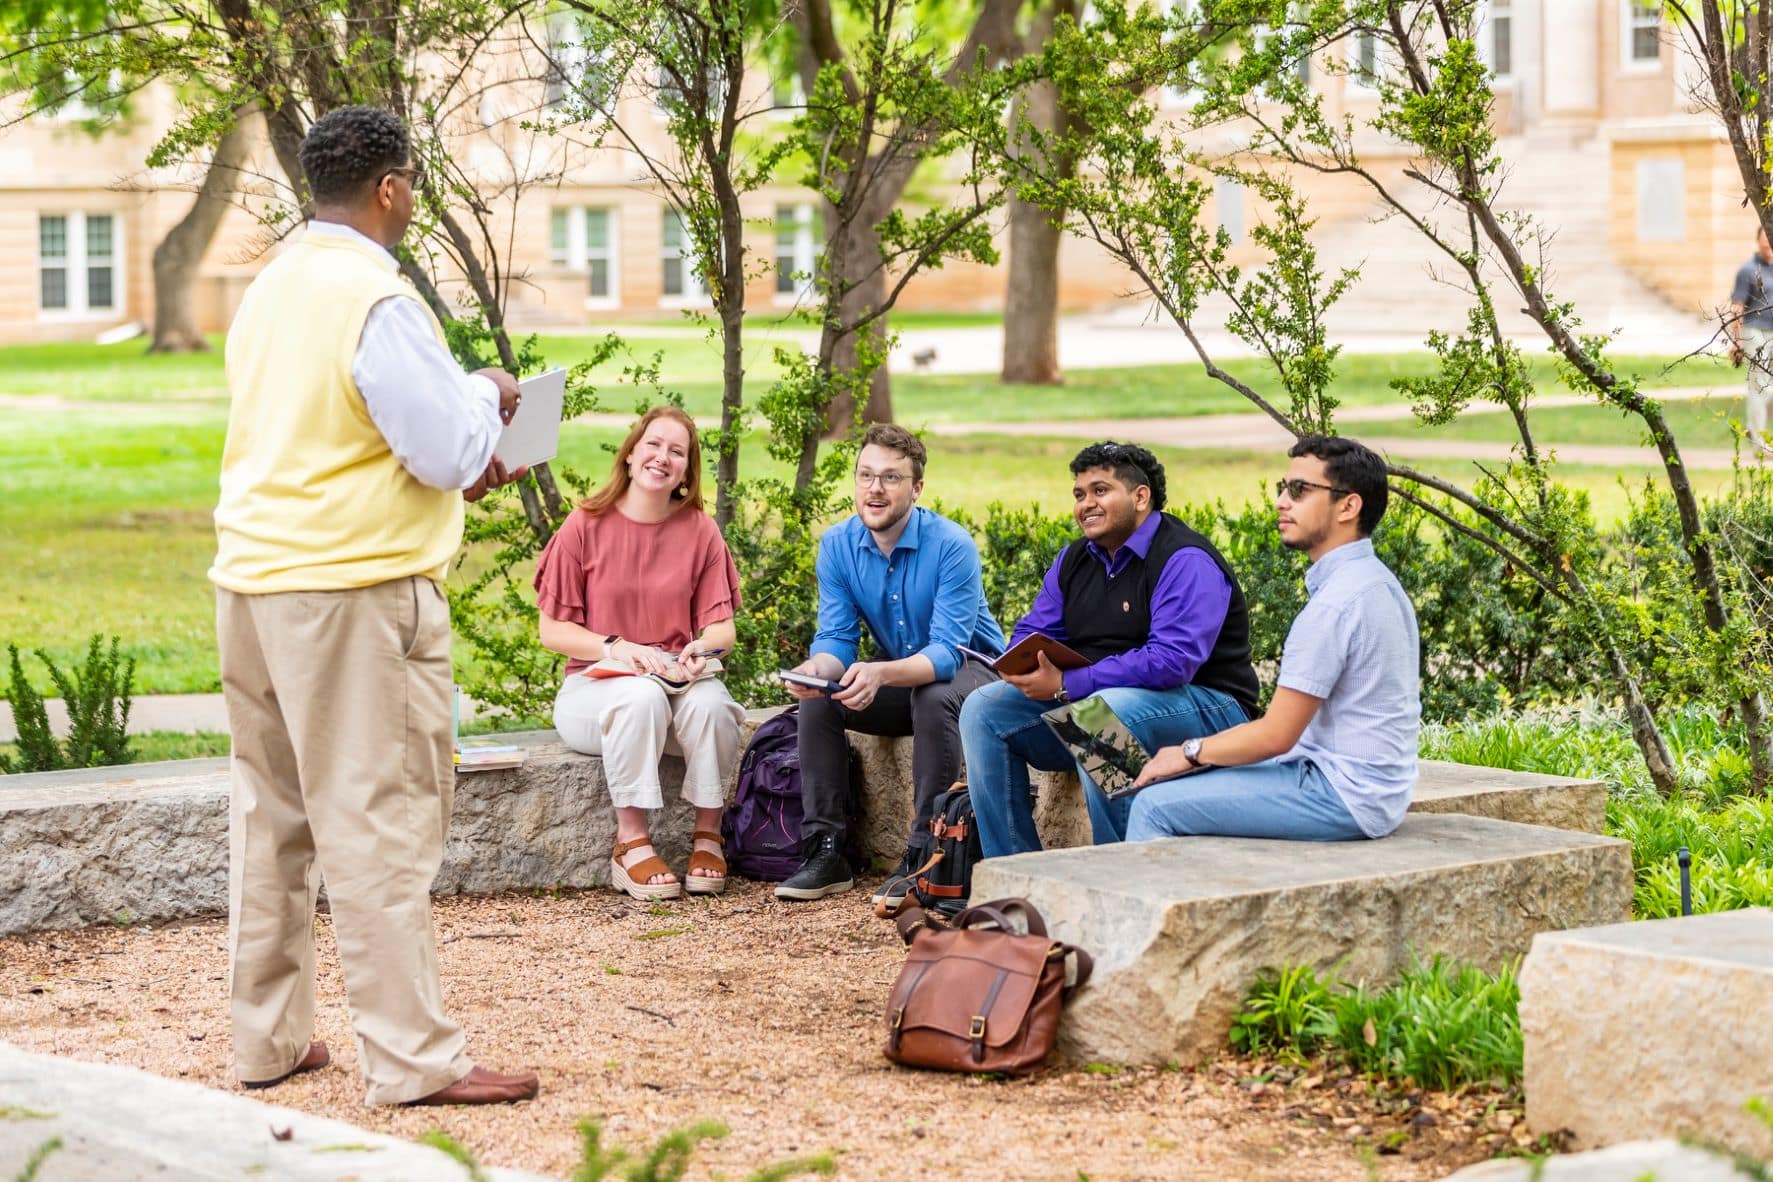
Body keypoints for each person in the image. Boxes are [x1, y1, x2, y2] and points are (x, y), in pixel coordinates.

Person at [209, 106, 537, 1106]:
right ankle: (413, 1059)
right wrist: (486, 389)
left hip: (253, 581)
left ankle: (266, 1041)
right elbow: (442, 449)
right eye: (412, 184)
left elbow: (330, 434)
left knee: (271, 818)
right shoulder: (378, 298)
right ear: (391, 188)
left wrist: (453, 452)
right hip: (351, 592)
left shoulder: (271, 287)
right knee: (378, 822)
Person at [960, 441, 1260, 858]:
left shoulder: (1184, 559)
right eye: (1079, 494)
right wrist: (1022, 663)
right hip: (1104, 704)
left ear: (1141, 497)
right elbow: (1033, 629)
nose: (1086, 504)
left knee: (1098, 715)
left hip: (1211, 708)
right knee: (984, 709)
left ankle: (1120, 868)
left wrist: (1069, 683)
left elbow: (1172, 662)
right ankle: (1014, 870)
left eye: (1100, 491)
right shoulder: (1075, 560)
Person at [1126, 435, 1420, 845]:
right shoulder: (1374, 582)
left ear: (1348, 507)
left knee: (1147, 798)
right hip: (1353, 782)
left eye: (1299, 490)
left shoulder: (1336, 603)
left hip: (1340, 789)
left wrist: (1189, 752)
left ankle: (1123, 877)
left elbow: (1275, 734)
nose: (1281, 501)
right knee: (1092, 729)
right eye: (1283, 487)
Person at [776, 424, 1007, 906]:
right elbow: (837, 639)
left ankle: (926, 852)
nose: (875, 489)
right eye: (865, 475)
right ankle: (826, 851)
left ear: (916, 488)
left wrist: (879, 672)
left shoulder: (951, 545)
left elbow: (946, 654)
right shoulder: (838, 545)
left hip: (976, 676)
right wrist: (817, 669)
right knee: (820, 697)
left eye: (890, 477)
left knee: (934, 694)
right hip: (907, 679)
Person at [533, 406, 744, 901]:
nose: (662, 457)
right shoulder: (584, 525)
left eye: (677, 451)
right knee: (640, 697)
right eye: (653, 444)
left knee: (714, 705)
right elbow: (552, 630)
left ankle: (708, 836)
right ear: (630, 454)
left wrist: (701, 647)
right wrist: (616, 647)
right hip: (595, 688)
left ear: (686, 472)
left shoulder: (700, 530)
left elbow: (722, 628)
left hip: (673, 680)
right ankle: (630, 843)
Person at [1727, 226, 1773, 457]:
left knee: (1769, 388)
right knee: (1759, 384)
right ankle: (1759, 444)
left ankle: (1755, 428)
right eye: (1764, 239)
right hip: (1754, 330)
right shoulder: (1747, 271)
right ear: (1757, 241)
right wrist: (1737, 342)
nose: (1768, 243)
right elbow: (1737, 307)